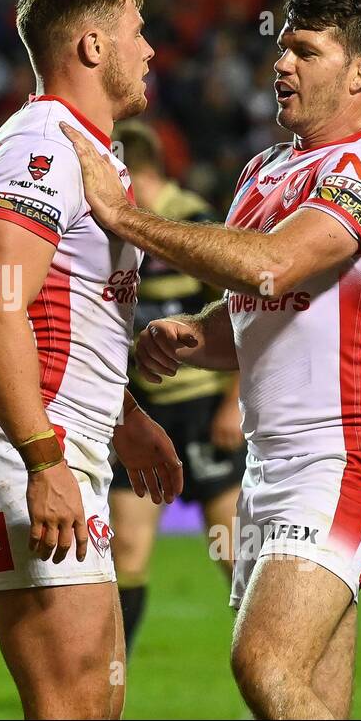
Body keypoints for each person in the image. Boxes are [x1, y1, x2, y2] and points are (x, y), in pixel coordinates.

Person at [64, 0, 361, 719]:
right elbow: (263, 306)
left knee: (262, 661)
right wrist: (197, 337)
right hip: (268, 462)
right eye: (282, 47)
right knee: (310, 693)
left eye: (305, 50)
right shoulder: (263, 174)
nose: (280, 65)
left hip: (342, 453)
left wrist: (123, 217)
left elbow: (274, 264)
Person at [0, 0, 181, 720]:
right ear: (94, 47)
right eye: (138, 33)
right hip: (25, 438)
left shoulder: (90, 154)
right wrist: (43, 458)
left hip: (55, 429)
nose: (151, 51)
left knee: (92, 700)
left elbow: (76, 311)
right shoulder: (42, 145)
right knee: (70, 703)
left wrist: (127, 420)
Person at [105, 121, 243, 658]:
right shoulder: (118, 232)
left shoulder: (194, 222)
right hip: (144, 412)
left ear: (139, 173)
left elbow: (239, 316)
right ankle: (110, 676)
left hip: (202, 409)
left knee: (229, 549)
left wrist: (233, 404)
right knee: (127, 551)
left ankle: (277, 655)